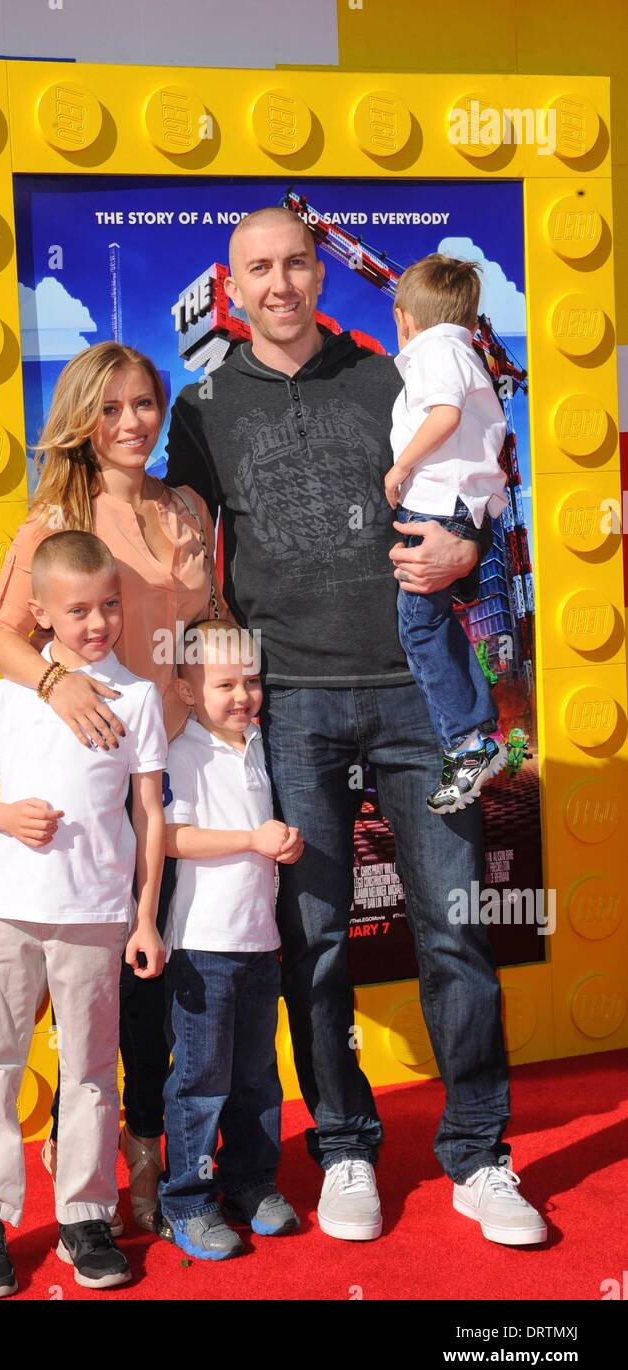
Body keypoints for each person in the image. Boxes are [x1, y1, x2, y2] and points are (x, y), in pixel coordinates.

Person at [164, 205, 546, 1247]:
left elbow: (494, 478)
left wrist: (470, 552)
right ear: (231, 287)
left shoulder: (391, 373)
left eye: (295, 262)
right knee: (315, 941)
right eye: (258, 268)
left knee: (457, 931)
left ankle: (476, 1153)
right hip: (287, 702)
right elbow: (172, 538)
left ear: (317, 275)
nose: (279, 282)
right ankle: (342, 1143)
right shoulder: (200, 407)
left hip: (418, 696)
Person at [0, 341, 226, 1233]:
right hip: (102, 775)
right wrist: (59, 683)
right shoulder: (54, 516)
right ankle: (128, 1160)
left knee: (190, 964)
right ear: (85, 418)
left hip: (192, 762)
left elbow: (210, 620)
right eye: (113, 407)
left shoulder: (189, 506)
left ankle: (173, 1151)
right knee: (122, 976)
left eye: (145, 405)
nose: (133, 423)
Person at [0, 531, 166, 1295]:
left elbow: (149, 816)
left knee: (89, 1074)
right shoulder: (12, 695)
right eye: (77, 609)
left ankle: (83, 1215)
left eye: (109, 605)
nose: (97, 622)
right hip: (11, 911)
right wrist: (8, 818)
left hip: (97, 917)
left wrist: (144, 918)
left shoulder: (137, 698)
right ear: (38, 612)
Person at [159, 619, 303, 1259]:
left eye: (251, 681)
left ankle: (250, 1182)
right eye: (225, 684)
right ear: (188, 690)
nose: (242, 695)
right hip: (201, 949)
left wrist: (284, 841)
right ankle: (188, 1199)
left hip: (258, 943)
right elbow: (171, 840)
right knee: (199, 1079)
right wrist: (253, 839)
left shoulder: (263, 748)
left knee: (256, 1076)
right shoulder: (182, 753)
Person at [385, 253, 509, 814]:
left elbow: (445, 416)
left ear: (405, 316)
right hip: (461, 509)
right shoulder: (464, 352)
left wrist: (400, 466)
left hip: (442, 506)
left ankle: (467, 745)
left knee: (418, 629)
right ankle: (476, 735)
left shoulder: (435, 350)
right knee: (431, 624)